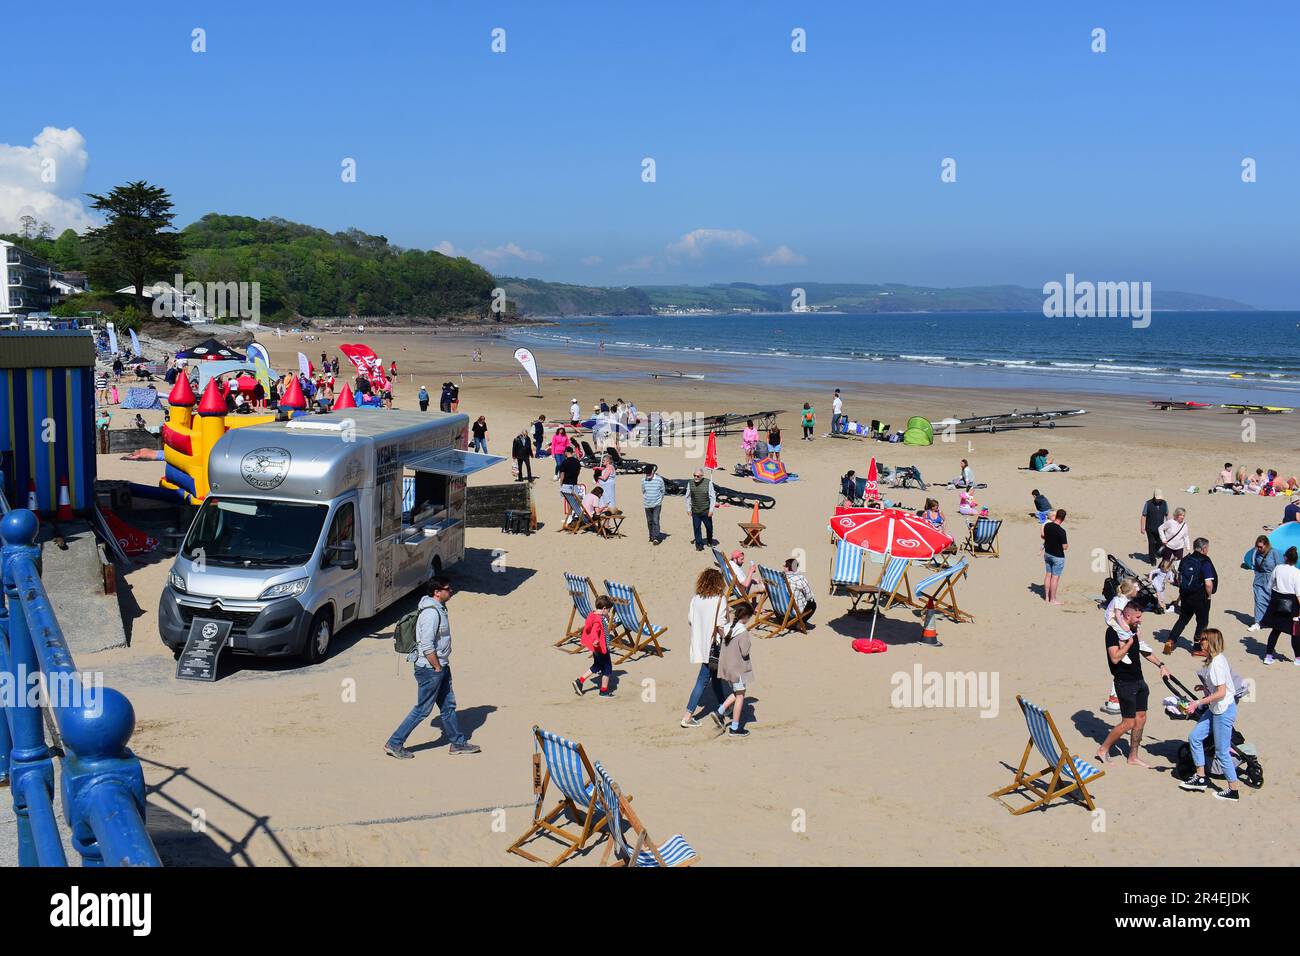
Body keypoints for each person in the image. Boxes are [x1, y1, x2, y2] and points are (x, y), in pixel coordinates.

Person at [384, 578, 480, 758]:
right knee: (422, 709)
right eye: (447, 589)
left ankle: (457, 743)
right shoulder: (431, 614)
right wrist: (436, 667)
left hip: (440, 665)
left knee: (448, 705)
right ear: (437, 592)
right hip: (430, 668)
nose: (451, 591)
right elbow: (427, 645)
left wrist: (440, 665)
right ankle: (395, 742)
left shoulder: (439, 609)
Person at [1097, 603, 1169, 765]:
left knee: (1141, 718)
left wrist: (1161, 665)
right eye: (1138, 617)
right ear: (1127, 616)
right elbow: (1114, 657)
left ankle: (1133, 756)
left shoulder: (1133, 630)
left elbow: (1143, 650)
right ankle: (1103, 749)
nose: (1140, 620)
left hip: (1139, 681)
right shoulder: (1112, 632)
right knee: (1128, 722)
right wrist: (1129, 644)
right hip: (1124, 683)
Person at [1178, 629, 1241, 801]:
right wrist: (1205, 689)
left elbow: (1221, 692)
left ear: (1211, 642)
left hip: (1223, 711)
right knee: (1195, 737)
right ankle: (1200, 777)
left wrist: (1197, 702)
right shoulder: (1216, 660)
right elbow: (1220, 687)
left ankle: (1233, 790)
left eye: (1203, 639)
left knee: (1222, 753)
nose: (1200, 642)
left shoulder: (1217, 664)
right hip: (1215, 709)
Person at [681, 568, 729, 728]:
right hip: (714, 646)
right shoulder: (720, 599)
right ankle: (688, 716)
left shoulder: (696, 599)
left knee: (715, 677)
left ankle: (724, 707)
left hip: (700, 644)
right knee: (703, 680)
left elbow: (690, 620)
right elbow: (721, 625)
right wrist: (729, 638)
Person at [711, 602, 756, 738]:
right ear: (746, 617)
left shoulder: (727, 628)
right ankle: (735, 727)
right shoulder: (742, 631)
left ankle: (720, 711)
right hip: (738, 670)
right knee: (740, 696)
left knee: (737, 692)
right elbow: (745, 651)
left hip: (727, 669)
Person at [1164, 537, 1216, 655]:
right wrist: (1209, 596)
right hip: (1200, 597)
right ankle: (1197, 648)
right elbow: (1208, 584)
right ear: (1203, 549)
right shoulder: (1205, 562)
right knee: (1202, 622)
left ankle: (1171, 640)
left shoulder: (1186, 559)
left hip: (1185, 595)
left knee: (1183, 619)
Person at [1261, 545, 1300, 665]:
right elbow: (1298, 594)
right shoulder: (1297, 573)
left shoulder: (1278, 568)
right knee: (1295, 632)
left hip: (1277, 602)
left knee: (1275, 630)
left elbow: (1269, 585)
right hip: (1292, 604)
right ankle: (1298, 658)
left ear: (1285, 557)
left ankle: (1268, 656)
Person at [573, 595, 616, 698]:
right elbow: (594, 631)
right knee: (607, 668)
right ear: (604, 608)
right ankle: (603, 691)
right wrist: (595, 640)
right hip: (601, 648)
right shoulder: (598, 619)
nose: (609, 612)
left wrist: (606, 617)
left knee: (597, 666)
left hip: (597, 649)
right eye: (608, 610)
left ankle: (580, 681)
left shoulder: (593, 614)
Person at [1248, 535, 1279, 632]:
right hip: (1259, 579)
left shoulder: (1274, 552)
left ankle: (1270, 621)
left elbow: (1279, 567)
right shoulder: (1256, 553)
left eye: (1261, 547)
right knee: (1259, 600)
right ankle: (1258, 622)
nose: (1259, 549)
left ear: (1266, 545)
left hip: (1271, 579)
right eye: (1258, 546)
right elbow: (1256, 567)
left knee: (1270, 601)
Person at [686, 467, 717, 551]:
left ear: (702, 476)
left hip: (705, 510)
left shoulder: (708, 483)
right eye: (694, 475)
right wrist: (688, 509)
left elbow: (712, 497)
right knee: (696, 528)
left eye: (698, 476)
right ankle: (699, 545)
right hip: (695, 510)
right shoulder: (690, 483)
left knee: (709, 527)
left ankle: (709, 540)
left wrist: (711, 510)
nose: (696, 477)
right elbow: (688, 496)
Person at [1041, 509, 1067, 605]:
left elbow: (1043, 536)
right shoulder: (1061, 531)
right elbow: (1065, 546)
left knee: (1048, 575)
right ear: (1063, 519)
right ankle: (1053, 599)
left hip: (1047, 553)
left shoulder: (1047, 525)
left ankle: (1047, 597)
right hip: (1057, 556)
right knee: (1055, 578)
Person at [1140, 490, 1169, 564]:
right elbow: (1144, 516)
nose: (1159, 500)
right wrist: (1142, 527)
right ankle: (1152, 560)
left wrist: (1169, 525)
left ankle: (1158, 553)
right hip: (1150, 528)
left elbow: (1167, 515)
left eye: (1160, 498)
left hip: (1161, 528)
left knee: (1160, 542)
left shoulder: (1164, 503)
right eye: (1157, 498)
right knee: (1151, 543)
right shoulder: (1148, 503)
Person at [784, 557, 816, 624]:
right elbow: (809, 596)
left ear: (787, 568)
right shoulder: (800, 578)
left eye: (785, 566)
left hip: (781, 607)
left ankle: (783, 620)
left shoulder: (780, 577)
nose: (784, 567)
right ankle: (799, 623)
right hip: (793, 610)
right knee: (813, 604)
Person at [641, 463, 665, 545]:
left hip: (657, 504)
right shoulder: (643, 480)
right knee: (649, 521)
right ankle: (651, 536)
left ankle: (656, 538)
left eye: (649, 473)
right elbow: (643, 491)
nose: (647, 474)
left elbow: (663, 491)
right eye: (646, 473)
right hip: (647, 504)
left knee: (655, 520)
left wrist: (659, 500)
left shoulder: (659, 480)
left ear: (653, 471)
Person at [558, 446, 583, 523]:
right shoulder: (577, 461)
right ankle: (573, 516)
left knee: (570, 502)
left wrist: (561, 484)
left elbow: (562, 475)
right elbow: (578, 472)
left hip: (566, 484)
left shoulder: (565, 462)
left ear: (566, 452)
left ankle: (570, 517)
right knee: (575, 501)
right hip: (574, 483)